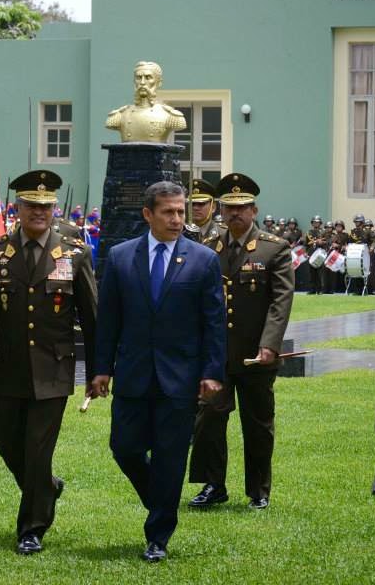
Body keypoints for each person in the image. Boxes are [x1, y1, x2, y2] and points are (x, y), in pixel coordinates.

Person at [0, 170, 97, 556]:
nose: (39, 211)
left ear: (54, 208)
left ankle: (31, 528)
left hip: (54, 368)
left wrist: (100, 369)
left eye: (46, 205)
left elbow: (92, 317)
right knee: (5, 438)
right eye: (31, 205)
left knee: (38, 449)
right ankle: (46, 488)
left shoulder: (75, 253)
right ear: (17, 208)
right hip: (9, 366)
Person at [91, 180, 226, 562]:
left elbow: (213, 323)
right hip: (133, 373)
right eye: (168, 212)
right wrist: (101, 369)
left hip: (179, 379)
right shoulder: (120, 257)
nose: (177, 219)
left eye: (181, 211)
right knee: (124, 448)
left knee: (170, 457)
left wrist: (212, 371)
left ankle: (158, 536)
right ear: (148, 214)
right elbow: (109, 321)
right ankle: (161, 499)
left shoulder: (203, 260)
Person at [188, 173, 294, 512]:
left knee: (257, 422)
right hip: (216, 353)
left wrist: (270, 344)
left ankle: (258, 490)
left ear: (254, 209)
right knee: (209, 419)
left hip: (255, 353)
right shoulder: (207, 249)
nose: (235, 214)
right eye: (229, 208)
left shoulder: (273, 248)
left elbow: (281, 301)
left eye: (242, 208)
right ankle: (213, 484)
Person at [189, 178, 222, 243]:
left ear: (213, 207)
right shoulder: (182, 234)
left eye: (201, 204)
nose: (195, 208)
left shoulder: (222, 234)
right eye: (192, 204)